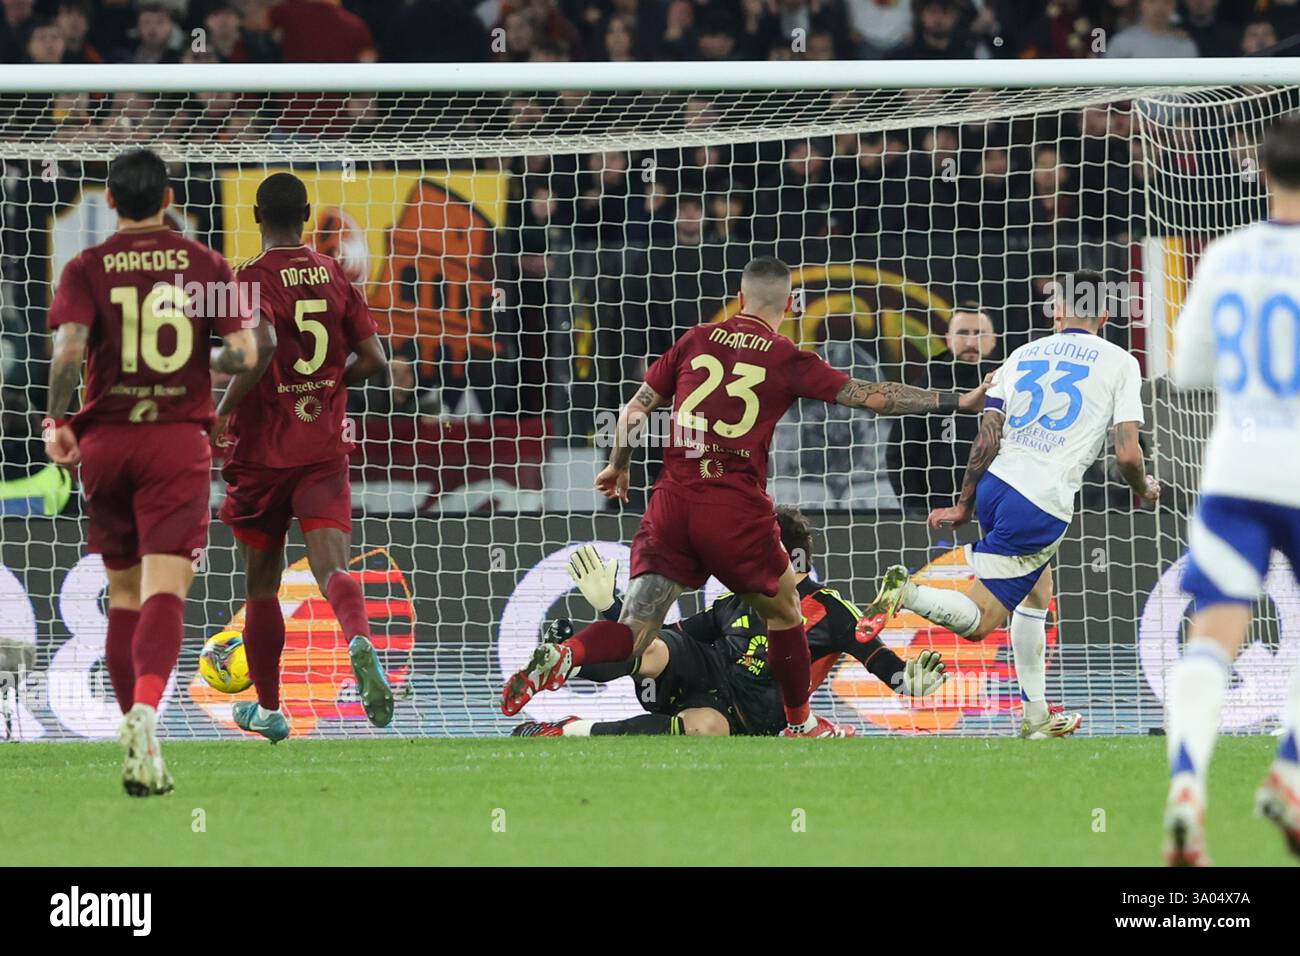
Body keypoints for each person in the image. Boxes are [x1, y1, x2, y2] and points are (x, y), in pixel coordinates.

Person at [501, 255, 988, 737]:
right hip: (732, 502)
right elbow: (872, 395)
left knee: (634, 633)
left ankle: (569, 655)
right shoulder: (787, 357)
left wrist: (618, 465)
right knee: (786, 612)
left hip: (671, 499)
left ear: (739, 298)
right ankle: (800, 724)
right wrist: (955, 399)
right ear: (792, 304)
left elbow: (633, 413)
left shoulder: (695, 339)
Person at [858, 269, 1160, 739]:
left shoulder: (1020, 356)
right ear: (1105, 313)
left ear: (1057, 312)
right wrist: (1143, 488)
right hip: (1040, 502)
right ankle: (907, 594)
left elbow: (986, 437)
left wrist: (963, 504)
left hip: (995, 488)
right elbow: (1126, 453)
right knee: (980, 622)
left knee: (1037, 594)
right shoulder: (1120, 362)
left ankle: (1036, 714)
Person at [43, 148, 259, 795]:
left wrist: (56, 422)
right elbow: (246, 352)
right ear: (168, 198)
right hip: (174, 443)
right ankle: (145, 711)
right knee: (166, 591)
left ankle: (143, 747)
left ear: (109, 200)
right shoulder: (205, 264)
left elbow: (70, 349)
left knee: (125, 597)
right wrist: (199, 365)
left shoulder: (87, 265)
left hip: (107, 441)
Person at [1160, 116, 1300, 866]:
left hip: (1234, 470)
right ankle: (1290, 773)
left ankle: (1187, 788)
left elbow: (1187, 372)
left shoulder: (1226, 254)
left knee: (1214, 630)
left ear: (1264, 171)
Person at [213, 172, 391, 743]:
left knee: (261, 586)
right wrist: (330, 385)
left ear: (258, 215)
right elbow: (376, 359)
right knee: (333, 568)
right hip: (322, 447)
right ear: (307, 213)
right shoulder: (335, 272)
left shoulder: (250, 278)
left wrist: (220, 412)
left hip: (262, 452)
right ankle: (359, 638)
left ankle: (269, 710)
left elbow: (260, 346)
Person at [511, 508, 948, 738]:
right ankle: (569, 659)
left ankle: (566, 730)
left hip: (744, 716)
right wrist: (613, 606)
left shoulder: (831, 611)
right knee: (655, 648)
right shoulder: (736, 599)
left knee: (706, 731)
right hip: (701, 671)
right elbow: (659, 640)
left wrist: (911, 683)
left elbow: (882, 662)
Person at [891, 305, 1001, 514]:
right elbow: (900, 455)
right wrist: (917, 511)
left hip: (997, 514)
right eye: (962, 333)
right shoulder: (924, 387)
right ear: (948, 339)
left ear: (993, 339)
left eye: (979, 333)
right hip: (938, 515)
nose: (970, 342)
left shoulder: (1009, 384)